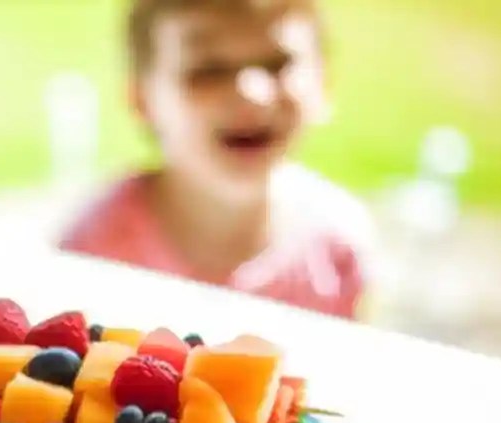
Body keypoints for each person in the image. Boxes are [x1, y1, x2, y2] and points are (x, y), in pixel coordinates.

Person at [58, 0, 375, 320]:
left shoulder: (336, 249)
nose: (252, 93)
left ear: (324, 83)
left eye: (277, 63)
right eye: (209, 70)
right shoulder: (97, 248)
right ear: (142, 100)